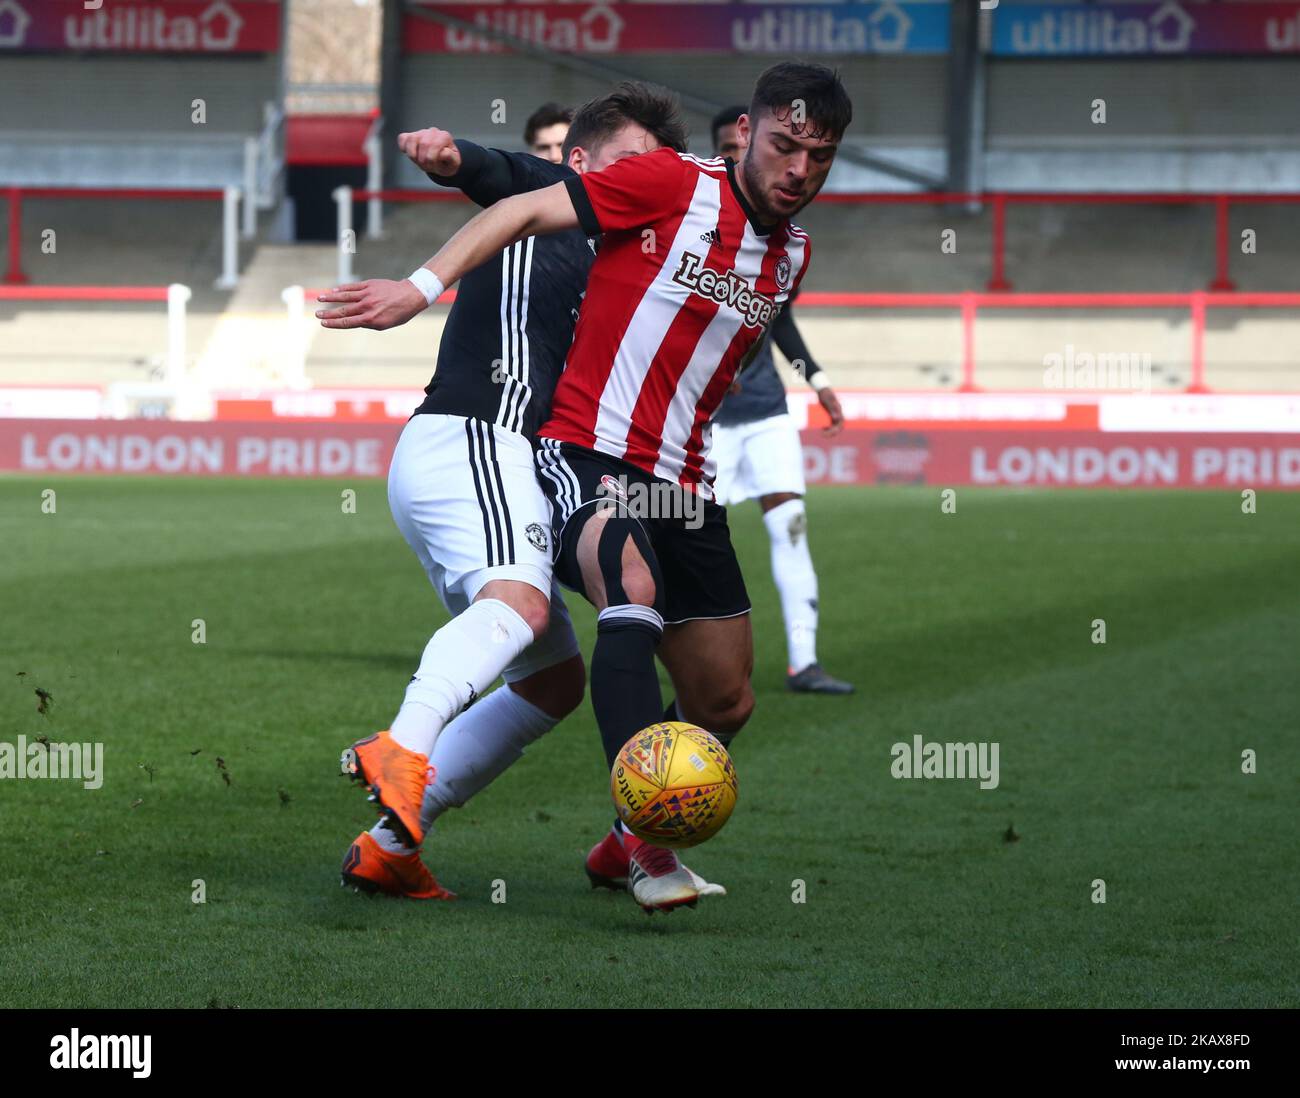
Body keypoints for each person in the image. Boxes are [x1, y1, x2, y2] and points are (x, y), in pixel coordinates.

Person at [319, 62, 853, 914]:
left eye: (817, 157)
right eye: (785, 146)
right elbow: (523, 192)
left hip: (682, 481)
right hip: (584, 454)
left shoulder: (791, 254)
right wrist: (422, 277)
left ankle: (574, 842)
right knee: (621, 589)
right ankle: (640, 847)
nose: (798, 169)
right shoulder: (666, 183)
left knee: (723, 697)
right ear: (746, 133)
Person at [318, 85, 689, 901]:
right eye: (624, 164)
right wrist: (454, 160)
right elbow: (492, 173)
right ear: (579, 163)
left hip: (486, 456)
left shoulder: (625, 252)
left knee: (553, 681)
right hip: (477, 436)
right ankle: (403, 747)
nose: (637, 183)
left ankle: (390, 845)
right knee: (518, 606)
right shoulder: (545, 194)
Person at [709, 105, 854, 696]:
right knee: (693, 541)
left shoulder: (780, 244)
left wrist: (816, 380)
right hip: (702, 425)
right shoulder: (694, 230)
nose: (729, 157)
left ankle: (804, 662)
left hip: (766, 411)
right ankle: (689, 658)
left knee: (790, 528)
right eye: (720, 149)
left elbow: (781, 323)